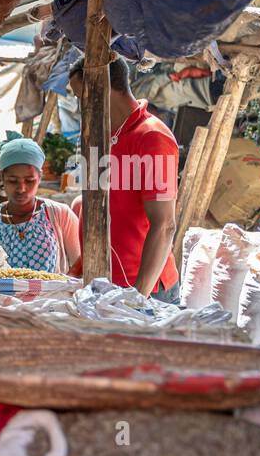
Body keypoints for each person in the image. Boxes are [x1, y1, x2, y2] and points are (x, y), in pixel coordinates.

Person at [68, 55, 180, 301]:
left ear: (102, 88)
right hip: (106, 282)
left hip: (145, 289)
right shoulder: (102, 135)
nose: (80, 107)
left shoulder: (151, 137)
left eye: (81, 98)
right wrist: (80, 267)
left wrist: (137, 299)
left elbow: (164, 226)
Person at [0, 134, 81, 274]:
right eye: (13, 180)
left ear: (39, 177)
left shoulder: (60, 214)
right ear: (2, 177)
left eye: (29, 180)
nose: (21, 189)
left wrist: (62, 286)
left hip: (53, 295)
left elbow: (79, 263)